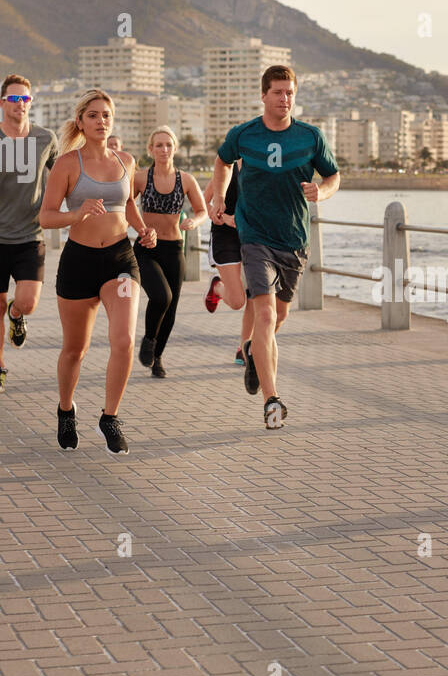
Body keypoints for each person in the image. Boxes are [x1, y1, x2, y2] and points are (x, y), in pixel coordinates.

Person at [208, 65, 341, 429]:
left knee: (279, 318)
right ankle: (272, 399)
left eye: (290, 93)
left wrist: (323, 192)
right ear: (264, 95)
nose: (284, 99)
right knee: (264, 315)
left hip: (294, 241)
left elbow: (332, 175)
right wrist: (219, 195)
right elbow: (221, 161)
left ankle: (253, 351)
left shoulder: (310, 137)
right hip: (254, 238)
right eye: (278, 92)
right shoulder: (244, 134)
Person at [40, 89, 156, 454]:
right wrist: (77, 213)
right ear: (81, 122)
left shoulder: (126, 160)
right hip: (79, 262)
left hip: (120, 261)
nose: (101, 120)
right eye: (93, 115)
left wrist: (144, 229)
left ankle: (110, 417)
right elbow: (46, 216)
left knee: (123, 340)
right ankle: (65, 410)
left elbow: (129, 203)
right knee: (76, 349)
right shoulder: (67, 164)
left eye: (106, 114)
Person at [0, 74, 59, 393]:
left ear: (31, 102)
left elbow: (62, 177)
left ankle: (17, 315)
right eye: (14, 98)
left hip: (31, 235)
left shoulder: (46, 139)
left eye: (25, 98)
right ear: (2, 102)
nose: (20, 104)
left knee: (28, 301)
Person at [133, 126, 208, 377]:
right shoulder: (141, 177)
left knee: (171, 310)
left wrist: (194, 223)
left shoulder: (186, 179)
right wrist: (140, 228)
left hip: (174, 249)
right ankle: (148, 339)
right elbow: (125, 206)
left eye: (168, 145)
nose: (164, 149)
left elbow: (201, 211)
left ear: (175, 148)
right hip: (146, 249)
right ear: (150, 150)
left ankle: (157, 358)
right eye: (159, 145)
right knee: (161, 297)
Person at [204, 159, 254, 367]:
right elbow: (203, 202)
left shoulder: (262, 167)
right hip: (225, 236)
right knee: (237, 301)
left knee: (254, 295)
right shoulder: (226, 167)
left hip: (254, 237)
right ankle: (217, 287)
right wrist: (224, 218)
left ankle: (244, 347)